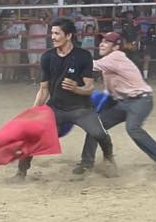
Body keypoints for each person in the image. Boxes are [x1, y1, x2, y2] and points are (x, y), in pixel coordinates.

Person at [84, 32, 156, 177]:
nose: (102, 44)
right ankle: (87, 164)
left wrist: (69, 58)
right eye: (101, 41)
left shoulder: (115, 57)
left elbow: (90, 65)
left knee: (133, 128)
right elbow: (110, 92)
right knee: (95, 127)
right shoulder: (109, 62)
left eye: (107, 41)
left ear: (116, 46)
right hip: (125, 102)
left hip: (140, 100)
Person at [29, 17, 115, 179]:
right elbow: (43, 89)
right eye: (51, 33)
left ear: (68, 36)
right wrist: (34, 111)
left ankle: (108, 160)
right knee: (32, 135)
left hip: (80, 108)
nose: (52, 37)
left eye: (56, 33)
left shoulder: (83, 56)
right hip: (55, 107)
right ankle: (21, 172)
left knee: (100, 134)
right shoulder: (47, 57)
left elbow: (89, 88)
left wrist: (76, 88)